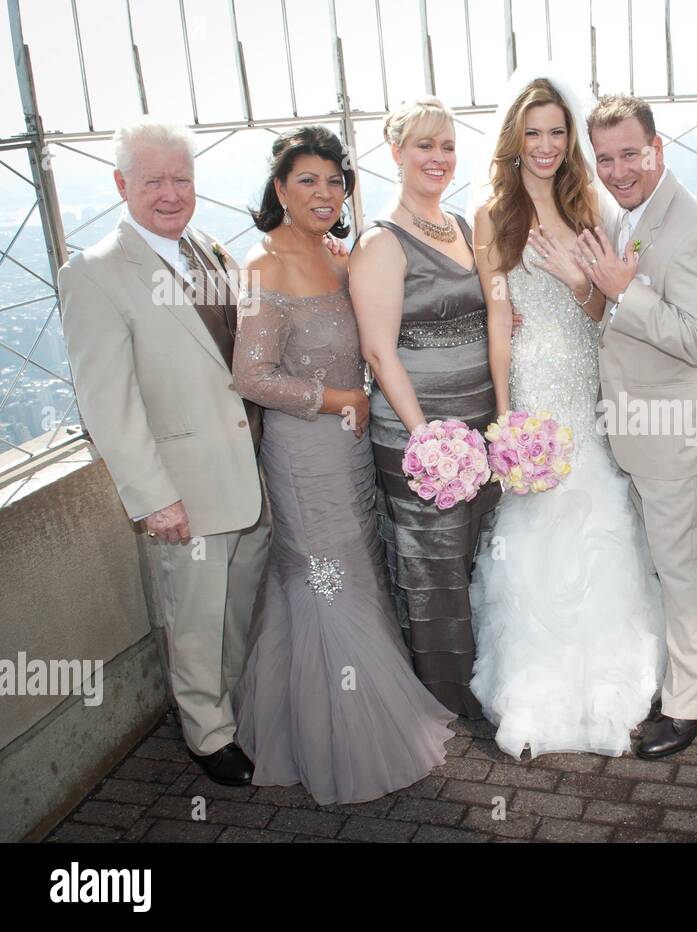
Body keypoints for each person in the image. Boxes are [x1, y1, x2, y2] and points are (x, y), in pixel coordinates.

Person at [232, 126, 455, 805]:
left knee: (350, 572)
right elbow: (251, 375)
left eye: (334, 181)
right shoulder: (258, 267)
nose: (324, 193)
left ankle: (322, 716)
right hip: (304, 455)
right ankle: (343, 738)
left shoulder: (339, 256)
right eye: (307, 180)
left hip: (352, 453)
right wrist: (337, 398)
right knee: (323, 580)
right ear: (279, 189)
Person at [58, 120, 267, 786]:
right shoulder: (93, 273)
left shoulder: (206, 248)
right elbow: (106, 403)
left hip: (250, 476)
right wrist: (154, 498)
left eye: (182, 179)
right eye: (154, 181)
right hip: (186, 488)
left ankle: (230, 710)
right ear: (121, 185)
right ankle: (208, 737)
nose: (171, 194)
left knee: (236, 612)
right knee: (195, 619)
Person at [468, 73, 665, 759]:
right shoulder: (492, 214)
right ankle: (538, 685)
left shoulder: (592, 208)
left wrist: (575, 279)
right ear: (515, 140)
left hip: (586, 387)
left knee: (600, 522)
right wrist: (503, 420)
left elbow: (602, 310)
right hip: (530, 385)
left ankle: (609, 676)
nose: (547, 145)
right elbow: (498, 319)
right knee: (537, 530)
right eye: (534, 133)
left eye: (557, 132)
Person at [575, 94, 697, 760]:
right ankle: (668, 683)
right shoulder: (623, 216)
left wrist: (622, 291)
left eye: (630, 154)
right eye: (605, 158)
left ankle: (692, 707)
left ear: (656, 148)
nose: (618, 169)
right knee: (659, 570)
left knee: (686, 576)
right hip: (633, 430)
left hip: (673, 438)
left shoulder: (691, 226)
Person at [350, 97, 502, 717]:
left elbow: (496, 314)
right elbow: (379, 354)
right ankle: (445, 694)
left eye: (446, 147)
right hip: (421, 432)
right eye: (424, 146)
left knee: (476, 547)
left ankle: (485, 674)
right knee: (433, 559)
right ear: (395, 154)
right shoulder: (381, 242)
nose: (438, 158)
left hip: (478, 420)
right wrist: (428, 439)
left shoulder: (464, 227)